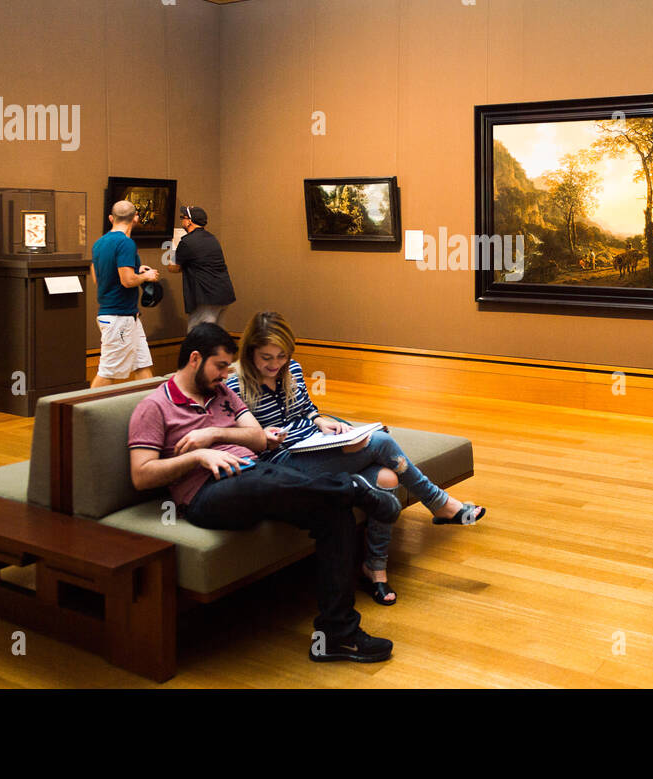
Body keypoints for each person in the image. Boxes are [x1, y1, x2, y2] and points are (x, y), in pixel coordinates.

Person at [127, 323, 400, 661]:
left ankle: (336, 634)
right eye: (220, 366)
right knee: (267, 481)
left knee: (334, 514)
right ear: (195, 359)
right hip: (206, 494)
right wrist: (197, 456)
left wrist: (212, 434)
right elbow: (141, 475)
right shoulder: (154, 407)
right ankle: (354, 489)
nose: (226, 374)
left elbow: (259, 439)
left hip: (257, 474)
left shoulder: (223, 394)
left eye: (229, 366)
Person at [225, 311, 484, 606]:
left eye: (281, 356)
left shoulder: (292, 370)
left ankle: (375, 569)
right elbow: (242, 441)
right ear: (249, 353)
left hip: (315, 445)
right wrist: (264, 438)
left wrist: (320, 421)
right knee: (382, 441)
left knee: (387, 478)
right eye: (266, 357)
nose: (274, 364)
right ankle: (439, 503)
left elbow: (308, 410)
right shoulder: (235, 385)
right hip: (284, 463)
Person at [90, 201, 160, 388]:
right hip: (118, 316)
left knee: (141, 364)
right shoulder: (126, 243)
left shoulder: (99, 243)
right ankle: (83, 413)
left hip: (127, 315)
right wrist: (146, 276)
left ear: (111, 218)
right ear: (135, 218)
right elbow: (127, 281)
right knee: (107, 371)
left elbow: (98, 277)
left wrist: (137, 270)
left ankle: (152, 410)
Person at [165, 206, 236, 331]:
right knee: (217, 339)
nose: (182, 220)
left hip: (206, 298)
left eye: (183, 217)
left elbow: (173, 268)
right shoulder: (212, 238)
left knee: (198, 338)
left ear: (189, 221)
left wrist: (169, 249)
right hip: (224, 294)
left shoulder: (187, 242)